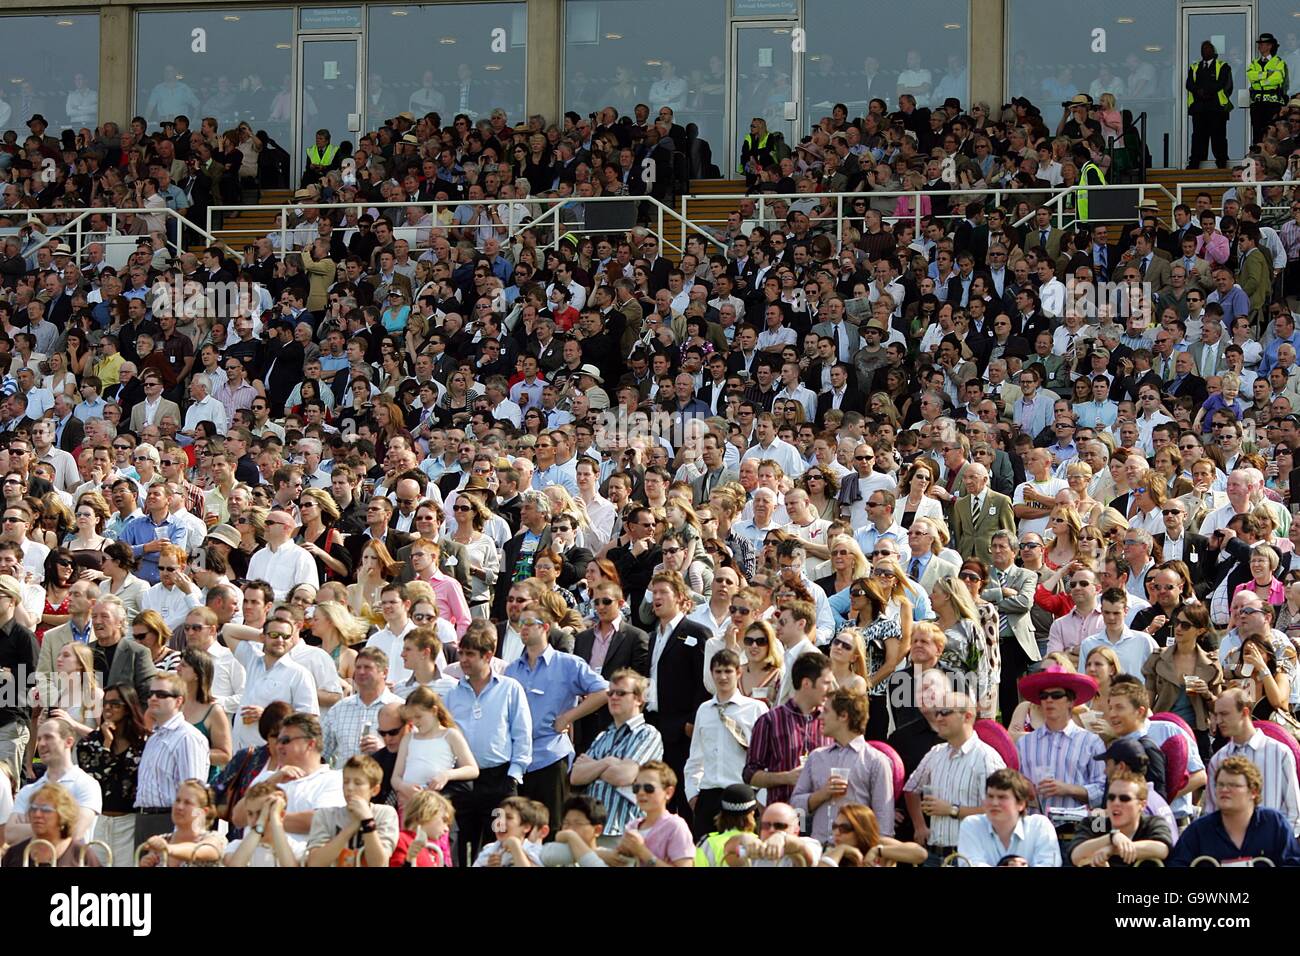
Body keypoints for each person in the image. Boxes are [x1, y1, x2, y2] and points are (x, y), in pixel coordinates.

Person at [443, 621, 533, 866]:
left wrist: (514, 775)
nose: (463, 660)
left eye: (470, 654)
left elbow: (522, 733)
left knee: (498, 843)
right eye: (461, 654)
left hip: (499, 778)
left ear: (488, 655)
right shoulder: (452, 693)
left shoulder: (510, 688)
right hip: (463, 781)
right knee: (463, 844)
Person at [903, 691, 1007, 865]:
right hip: (934, 856)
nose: (938, 718)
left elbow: (1000, 811)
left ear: (967, 716)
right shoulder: (936, 753)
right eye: (937, 712)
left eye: (945, 712)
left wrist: (952, 810)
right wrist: (920, 825)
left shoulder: (986, 758)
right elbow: (911, 789)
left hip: (971, 856)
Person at [569, 668, 664, 841]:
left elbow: (624, 776)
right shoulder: (603, 735)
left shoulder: (647, 734)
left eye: (621, 693)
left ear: (638, 698)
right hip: (591, 830)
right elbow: (575, 776)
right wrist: (609, 762)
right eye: (610, 693)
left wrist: (595, 766)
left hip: (624, 830)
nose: (613, 697)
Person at [683, 649, 768, 838]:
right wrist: (692, 794)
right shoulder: (704, 710)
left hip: (742, 793)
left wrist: (759, 798)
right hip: (709, 794)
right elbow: (696, 756)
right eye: (718, 671)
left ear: (738, 672)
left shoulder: (755, 708)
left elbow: (766, 757)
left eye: (728, 671)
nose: (723, 677)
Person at [791, 688, 893, 845]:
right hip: (819, 853)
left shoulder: (876, 761)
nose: (820, 716)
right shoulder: (816, 757)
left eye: (826, 711)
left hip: (855, 856)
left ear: (843, 716)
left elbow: (884, 824)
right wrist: (821, 794)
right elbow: (795, 807)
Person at [1170, 756, 1300, 866]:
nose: (1224, 790)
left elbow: (1293, 862)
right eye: (1220, 785)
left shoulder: (1274, 824)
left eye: (1233, 785)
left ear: (1253, 791)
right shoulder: (1198, 831)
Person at [1204, 687, 1300, 830]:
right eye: (1216, 715)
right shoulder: (1218, 759)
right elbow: (1212, 811)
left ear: (1245, 713)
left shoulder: (1280, 752)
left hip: (1272, 844)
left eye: (1224, 714)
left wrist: (1282, 843)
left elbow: (1293, 811)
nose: (1219, 721)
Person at [133, 672, 210, 847]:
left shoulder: (188, 737)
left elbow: (194, 792)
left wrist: (181, 837)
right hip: (144, 821)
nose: (153, 698)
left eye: (161, 695)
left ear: (178, 701)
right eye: (150, 694)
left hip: (170, 821)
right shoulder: (154, 737)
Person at [391, 685, 479, 809]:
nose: (415, 722)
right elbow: (396, 777)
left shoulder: (450, 735)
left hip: (435, 806)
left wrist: (446, 775)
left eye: (419, 716)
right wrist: (403, 787)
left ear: (434, 711)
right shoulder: (408, 739)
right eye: (411, 718)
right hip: (407, 804)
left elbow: (472, 769)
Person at [305, 755, 400, 867]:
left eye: (358, 783)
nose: (349, 788)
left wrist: (367, 821)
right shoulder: (325, 815)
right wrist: (351, 827)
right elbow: (315, 863)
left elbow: (379, 864)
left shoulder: (385, 814)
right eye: (346, 782)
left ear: (374, 790)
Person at [1069, 769, 1175, 867]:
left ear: (1142, 805)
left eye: (1124, 798)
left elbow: (1162, 849)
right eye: (1111, 797)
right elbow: (1076, 856)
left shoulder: (1151, 823)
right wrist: (1112, 837)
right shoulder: (1098, 822)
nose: (1116, 803)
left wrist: (1112, 849)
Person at [956, 768, 1061, 867]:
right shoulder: (972, 825)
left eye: (1002, 797)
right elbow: (970, 864)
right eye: (990, 796)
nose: (994, 803)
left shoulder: (1040, 825)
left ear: (1021, 804)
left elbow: (1049, 863)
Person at [601, 760, 694, 867]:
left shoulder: (675, 826)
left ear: (668, 792)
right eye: (636, 788)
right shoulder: (632, 826)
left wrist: (642, 852)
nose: (641, 792)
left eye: (649, 788)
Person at [321, 647, 404, 766]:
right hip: (344, 781)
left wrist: (384, 749)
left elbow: (412, 753)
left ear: (384, 673)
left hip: (383, 781)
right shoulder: (339, 709)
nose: (361, 672)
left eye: (368, 667)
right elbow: (321, 752)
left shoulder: (400, 708)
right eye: (358, 667)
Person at [0, 782, 102, 868]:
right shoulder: (14, 853)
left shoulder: (81, 856)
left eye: (46, 809)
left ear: (63, 814)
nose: (37, 814)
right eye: (34, 808)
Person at [136, 779, 227, 867]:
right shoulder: (163, 840)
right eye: (178, 800)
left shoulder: (215, 839)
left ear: (203, 812)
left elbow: (198, 851)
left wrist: (168, 849)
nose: (179, 806)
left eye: (187, 803)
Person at [819, 803, 927, 867]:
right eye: (834, 827)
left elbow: (920, 854)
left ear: (860, 830)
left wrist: (877, 851)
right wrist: (841, 849)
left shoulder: (879, 844)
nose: (837, 833)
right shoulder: (833, 851)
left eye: (844, 828)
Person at [1186, 40, 1234, 170]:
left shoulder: (1223, 66)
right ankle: (1195, 162)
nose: (1205, 51)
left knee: (1218, 136)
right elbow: (1189, 84)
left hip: (1217, 109)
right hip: (1199, 109)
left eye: (1208, 48)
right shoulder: (1195, 67)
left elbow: (1224, 83)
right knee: (1198, 136)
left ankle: (1221, 162)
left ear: (1213, 51)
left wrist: (1207, 91)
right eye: (1203, 49)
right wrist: (1198, 91)